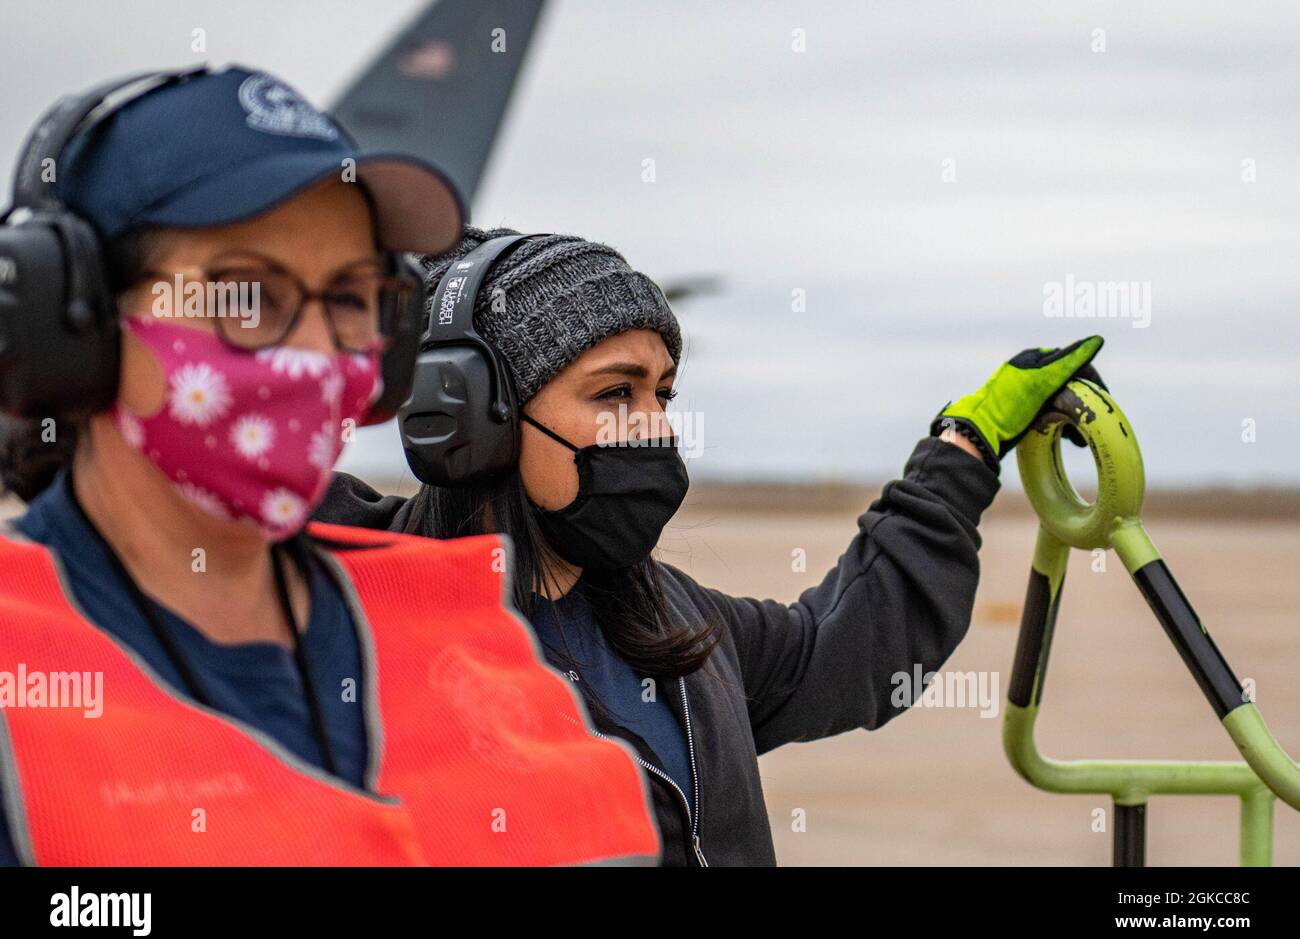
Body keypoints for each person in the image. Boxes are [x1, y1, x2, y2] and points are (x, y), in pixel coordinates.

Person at [0, 68, 659, 866]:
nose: (318, 352)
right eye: (246, 294)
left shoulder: (470, 635)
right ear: (72, 326)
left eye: (351, 298)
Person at [316, 225, 1106, 866]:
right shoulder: (337, 610)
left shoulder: (674, 632)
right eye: (614, 393)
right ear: (472, 421)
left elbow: (844, 649)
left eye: (663, 394)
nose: (653, 427)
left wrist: (963, 448)